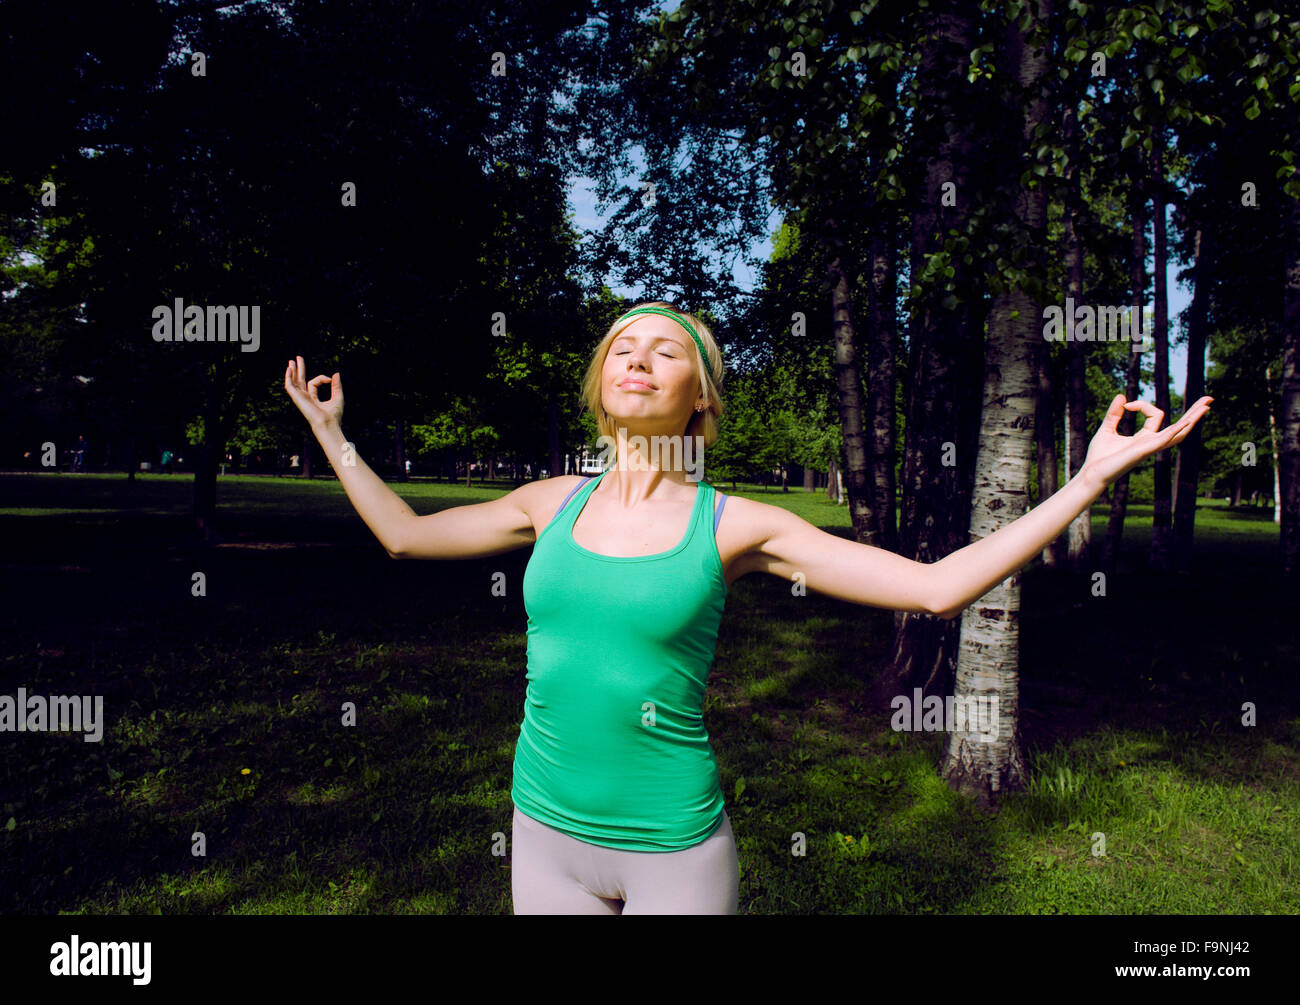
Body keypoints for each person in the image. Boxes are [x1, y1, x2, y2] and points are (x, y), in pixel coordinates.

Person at [283, 302, 1212, 915]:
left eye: (666, 350)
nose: (638, 359)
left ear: (699, 399)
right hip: (543, 833)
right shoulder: (547, 499)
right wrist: (334, 435)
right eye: (622, 349)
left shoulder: (737, 525)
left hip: (673, 854)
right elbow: (404, 535)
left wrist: (1087, 477)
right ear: (601, 385)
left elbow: (938, 587)